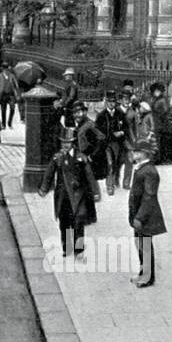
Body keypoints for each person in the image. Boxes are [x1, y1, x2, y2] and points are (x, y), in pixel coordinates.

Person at [38, 125, 100, 257]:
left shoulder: (81, 157)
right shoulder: (58, 157)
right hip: (63, 195)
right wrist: (44, 188)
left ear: (73, 143)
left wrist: (95, 192)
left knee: (78, 221)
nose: (65, 145)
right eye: (63, 142)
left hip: (79, 195)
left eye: (68, 142)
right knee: (64, 222)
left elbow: (89, 175)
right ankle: (67, 248)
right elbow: (49, 173)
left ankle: (79, 250)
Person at [127, 137, 165, 287]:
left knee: (146, 246)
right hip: (139, 215)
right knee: (141, 245)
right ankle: (143, 273)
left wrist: (140, 217)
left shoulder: (149, 171)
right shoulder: (142, 168)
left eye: (137, 151)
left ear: (145, 153)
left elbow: (149, 197)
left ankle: (148, 278)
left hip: (145, 216)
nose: (134, 153)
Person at [97, 91, 131, 196]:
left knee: (125, 160)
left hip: (120, 142)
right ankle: (110, 186)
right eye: (110, 101)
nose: (112, 104)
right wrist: (112, 134)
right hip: (107, 143)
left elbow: (126, 127)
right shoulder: (102, 115)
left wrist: (122, 132)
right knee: (110, 164)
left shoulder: (119, 113)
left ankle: (123, 183)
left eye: (113, 102)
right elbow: (99, 132)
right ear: (106, 102)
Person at [70, 100, 107, 189]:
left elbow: (102, 139)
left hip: (89, 159)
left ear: (85, 112)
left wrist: (92, 156)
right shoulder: (78, 125)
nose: (77, 115)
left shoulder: (90, 125)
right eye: (75, 113)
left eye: (79, 112)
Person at [150, 82, 172, 164]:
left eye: (158, 91)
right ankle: (159, 158)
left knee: (160, 141)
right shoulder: (158, 99)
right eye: (155, 91)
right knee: (159, 141)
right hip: (159, 122)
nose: (156, 92)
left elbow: (165, 112)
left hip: (161, 123)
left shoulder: (162, 100)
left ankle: (159, 158)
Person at [0, 62, 20, 130]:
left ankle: (9, 122)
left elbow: (16, 85)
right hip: (3, 95)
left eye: (7, 69)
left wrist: (17, 93)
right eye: (4, 69)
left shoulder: (12, 76)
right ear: (2, 69)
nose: (6, 70)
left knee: (12, 109)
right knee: (3, 110)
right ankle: (3, 124)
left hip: (11, 94)